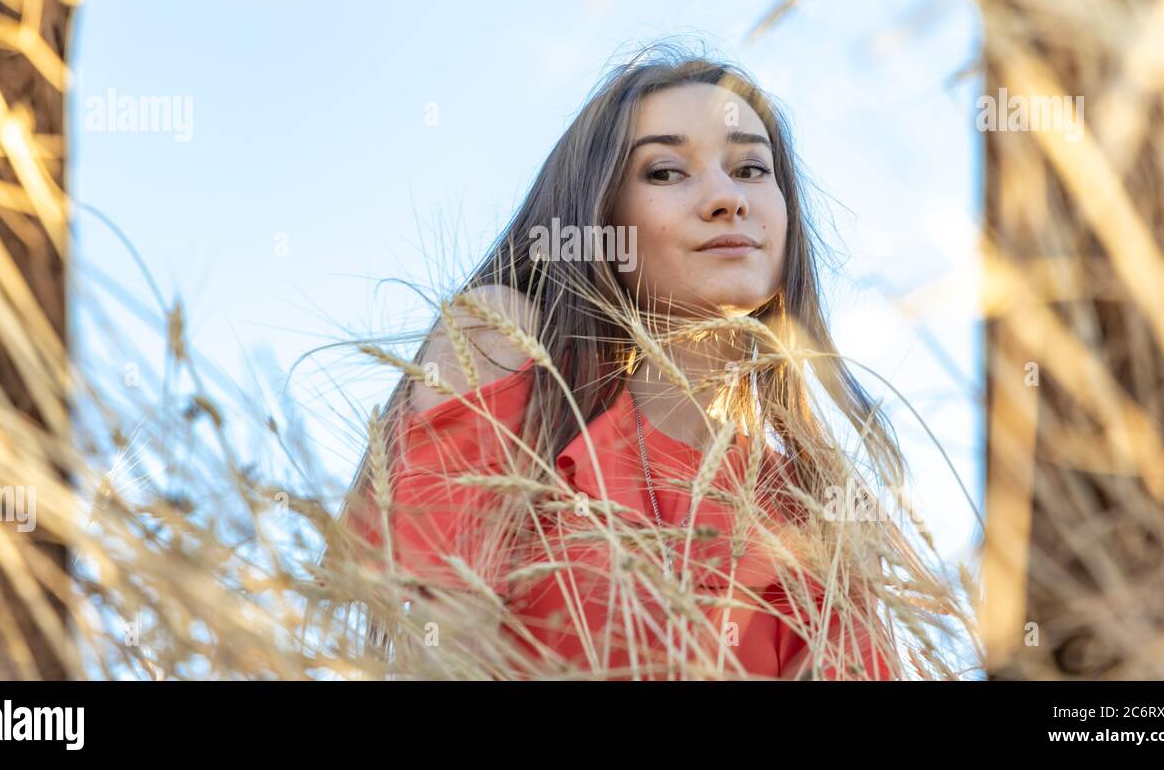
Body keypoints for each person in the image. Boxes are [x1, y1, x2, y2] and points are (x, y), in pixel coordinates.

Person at [340, 40, 949, 680]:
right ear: (601, 213)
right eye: (664, 172)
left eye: (750, 169)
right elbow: (438, 656)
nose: (726, 198)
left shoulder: (811, 501)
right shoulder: (501, 347)